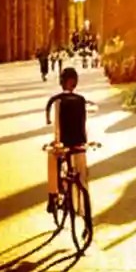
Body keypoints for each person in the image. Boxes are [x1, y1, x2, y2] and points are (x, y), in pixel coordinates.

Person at [44, 67, 95, 215]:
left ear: (62, 82)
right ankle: (85, 211)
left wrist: (56, 142)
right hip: (80, 143)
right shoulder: (81, 99)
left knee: (51, 158)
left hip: (65, 143)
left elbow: (58, 127)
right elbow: (83, 124)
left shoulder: (58, 100)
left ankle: (52, 196)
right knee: (83, 174)